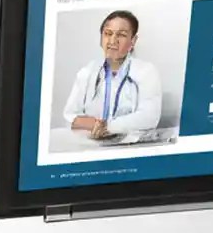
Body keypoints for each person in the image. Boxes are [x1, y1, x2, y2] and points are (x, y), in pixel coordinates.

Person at [62, 10, 163, 138]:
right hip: (91, 144)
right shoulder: (87, 72)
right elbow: (69, 117)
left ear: (133, 41)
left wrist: (109, 127)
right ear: (101, 38)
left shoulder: (146, 71)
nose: (112, 40)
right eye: (107, 34)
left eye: (121, 35)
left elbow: (149, 117)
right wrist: (94, 124)